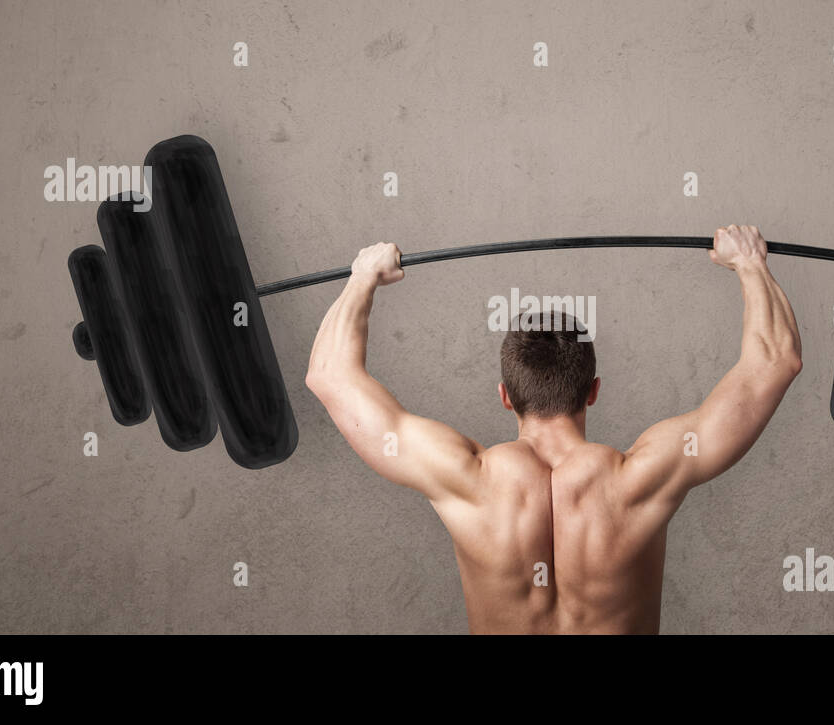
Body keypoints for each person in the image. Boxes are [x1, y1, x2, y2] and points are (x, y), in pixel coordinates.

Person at [306, 224, 802, 633]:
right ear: (593, 390)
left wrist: (363, 276)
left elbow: (330, 375)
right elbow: (774, 362)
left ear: (505, 395)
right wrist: (750, 264)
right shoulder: (638, 480)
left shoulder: (465, 479)